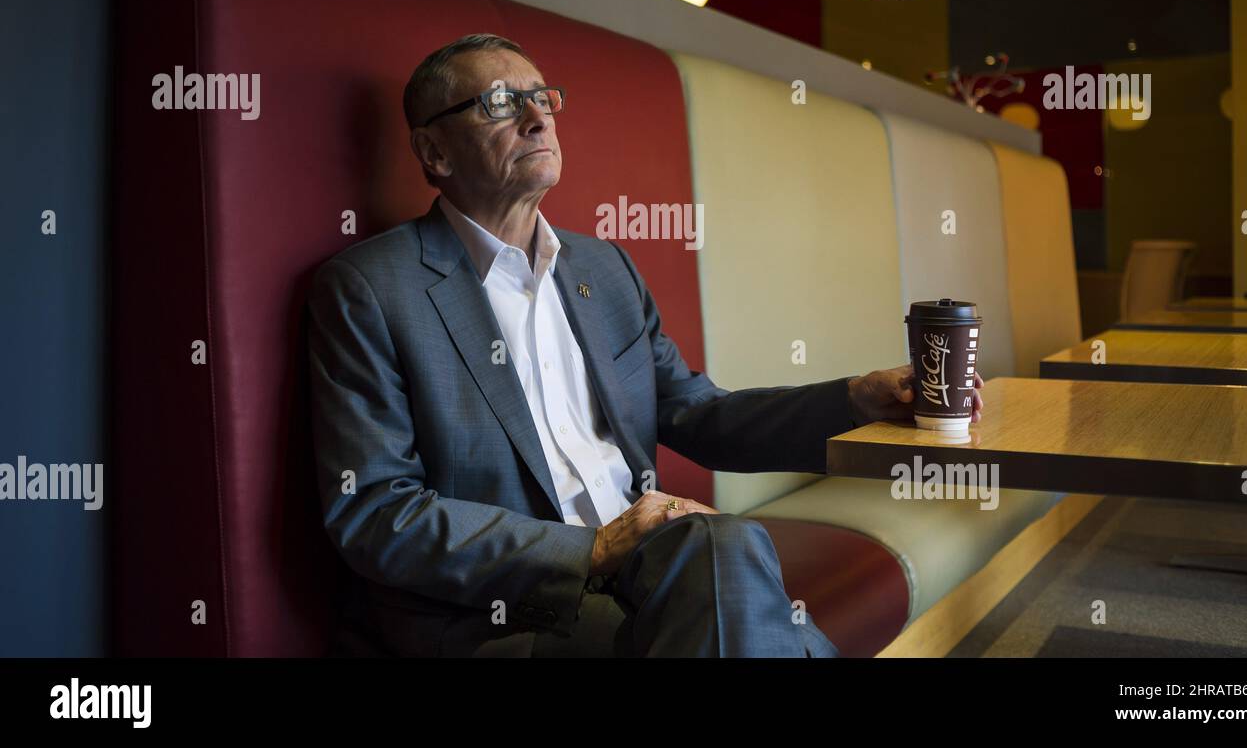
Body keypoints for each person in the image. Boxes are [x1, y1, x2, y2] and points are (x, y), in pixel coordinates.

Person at [306, 33, 983, 657]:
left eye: (542, 98)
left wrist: (854, 399)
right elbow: (375, 510)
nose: (538, 117)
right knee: (745, 594)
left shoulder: (604, 270)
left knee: (726, 558)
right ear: (433, 152)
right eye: (499, 104)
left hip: (652, 565)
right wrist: (591, 548)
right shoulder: (371, 288)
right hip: (506, 608)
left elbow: (697, 411)